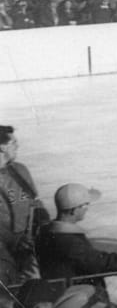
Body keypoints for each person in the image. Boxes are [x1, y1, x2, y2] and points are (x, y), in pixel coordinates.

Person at [0, 125, 47, 294]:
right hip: (3, 250)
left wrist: (44, 222)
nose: (17, 146)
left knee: (33, 291)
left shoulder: (20, 171)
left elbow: (34, 202)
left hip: (25, 246)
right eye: (14, 142)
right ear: (2, 147)